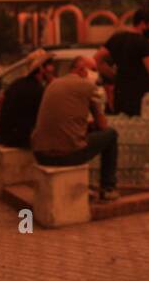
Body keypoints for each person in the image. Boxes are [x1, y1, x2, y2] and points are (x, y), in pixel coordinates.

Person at [31, 56, 120, 201]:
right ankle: (108, 188)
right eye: (92, 70)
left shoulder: (53, 84)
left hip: (40, 154)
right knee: (111, 135)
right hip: (67, 156)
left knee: (81, 136)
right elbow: (103, 125)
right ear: (81, 70)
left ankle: (87, 185)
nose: (95, 74)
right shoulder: (88, 86)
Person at [95, 7, 149, 117]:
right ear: (142, 23)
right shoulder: (142, 42)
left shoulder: (117, 38)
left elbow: (97, 60)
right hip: (138, 95)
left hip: (119, 93)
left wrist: (114, 77)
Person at [0, 50, 55, 149]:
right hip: (21, 139)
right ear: (41, 68)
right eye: (49, 65)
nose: (52, 69)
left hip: (6, 137)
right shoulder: (38, 90)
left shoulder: (18, 83)